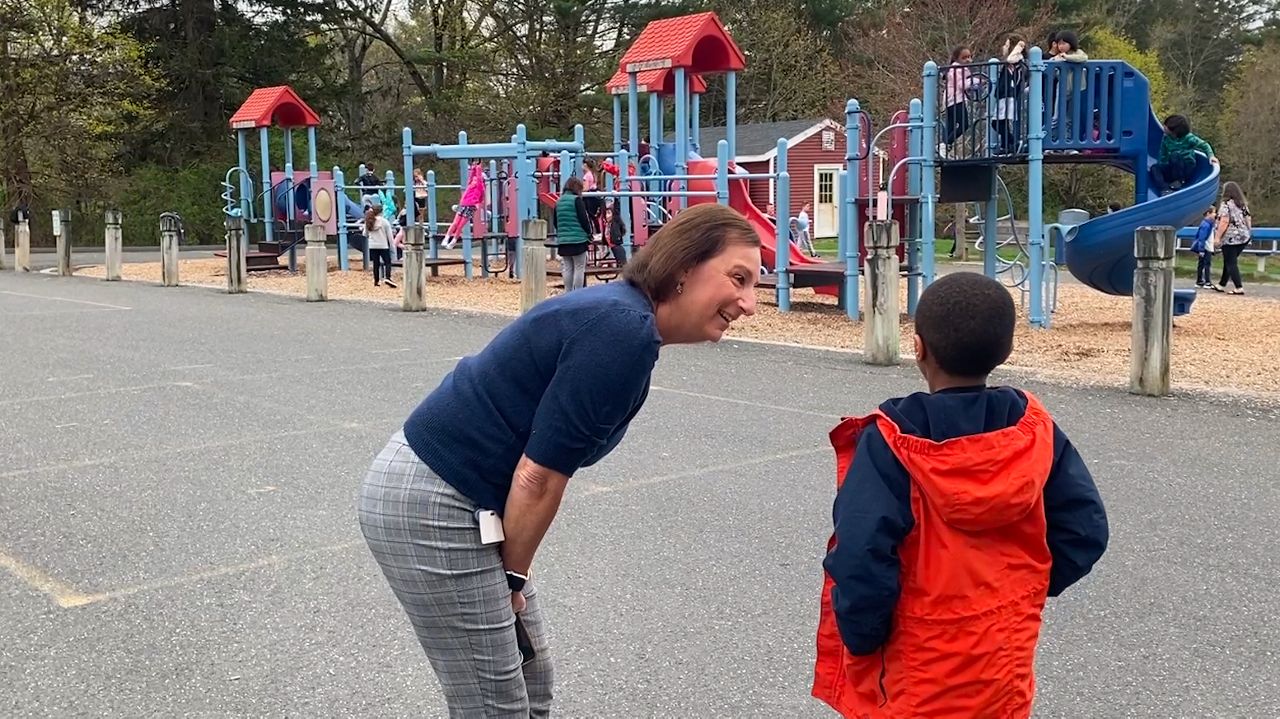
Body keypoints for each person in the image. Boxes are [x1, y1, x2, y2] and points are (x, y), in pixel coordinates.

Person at [358, 203, 762, 718]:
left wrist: (512, 577)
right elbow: (538, 477)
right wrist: (511, 581)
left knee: (532, 679)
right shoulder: (622, 330)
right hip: (432, 499)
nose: (750, 303)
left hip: (461, 496)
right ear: (684, 267)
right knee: (495, 704)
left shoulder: (623, 318)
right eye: (738, 278)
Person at [812, 272, 1109, 718]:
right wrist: (1022, 591)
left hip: (914, 670)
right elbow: (1085, 529)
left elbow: (861, 554)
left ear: (918, 348)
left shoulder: (891, 443)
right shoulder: (1035, 431)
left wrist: (864, 636)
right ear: (1006, 350)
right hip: (1002, 665)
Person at [1151, 114, 1217, 195]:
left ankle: (1179, 180)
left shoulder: (1188, 138)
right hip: (1172, 167)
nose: (1164, 127)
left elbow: (1204, 145)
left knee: (1175, 155)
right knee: (1154, 168)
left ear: (1174, 131)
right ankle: (1165, 189)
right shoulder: (1166, 138)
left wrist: (1211, 156)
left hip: (1185, 168)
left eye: (1166, 126)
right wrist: (1162, 167)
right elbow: (1163, 153)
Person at [553, 176, 593, 292]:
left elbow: (555, 222)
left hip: (563, 241)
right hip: (578, 240)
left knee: (567, 268)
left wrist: (563, 233)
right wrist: (589, 233)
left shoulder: (558, 202)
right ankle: (578, 293)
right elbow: (584, 220)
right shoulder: (577, 200)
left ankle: (568, 292)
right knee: (579, 267)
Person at [1212, 181, 1251, 295]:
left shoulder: (1226, 205)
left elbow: (1224, 221)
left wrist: (1217, 237)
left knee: (1231, 263)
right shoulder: (1242, 204)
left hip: (1230, 237)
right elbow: (1248, 219)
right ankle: (1221, 284)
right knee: (1229, 260)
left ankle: (1238, 287)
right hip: (1243, 237)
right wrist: (1249, 232)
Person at [443, 158, 486, 249]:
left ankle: (454, 241)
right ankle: (446, 238)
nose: (474, 181)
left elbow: (478, 179)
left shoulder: (480, 187)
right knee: (455, 223)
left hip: (470, 207)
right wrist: (473, 168)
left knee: (460, 225)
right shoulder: (470, 184)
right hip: (462, 205)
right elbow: (471, 176)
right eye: (474, 180)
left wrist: (478, 167)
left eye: (476, 180)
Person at [363, 204, 396, 289]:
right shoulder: (384, 222)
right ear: (381, 211)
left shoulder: (368, 221)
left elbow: (365, 234)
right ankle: (387, 277)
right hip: (383, 245)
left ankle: (376, 281)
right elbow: (390, 237)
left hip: (372, 245)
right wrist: (392, 247)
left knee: (376, 263)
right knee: (387, 262)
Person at [1191, 205, 1216, 288]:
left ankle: (1199, 281)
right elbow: (1202, 238)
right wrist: (1201, 249)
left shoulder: (1207, 224)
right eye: (1213, 212)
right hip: (1206, 247)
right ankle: (1207, 281)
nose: (1215, 214)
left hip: (1205, 246)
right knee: (1206, 264)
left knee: (1201, 264)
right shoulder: (1207, 225)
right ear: (1208, 213)